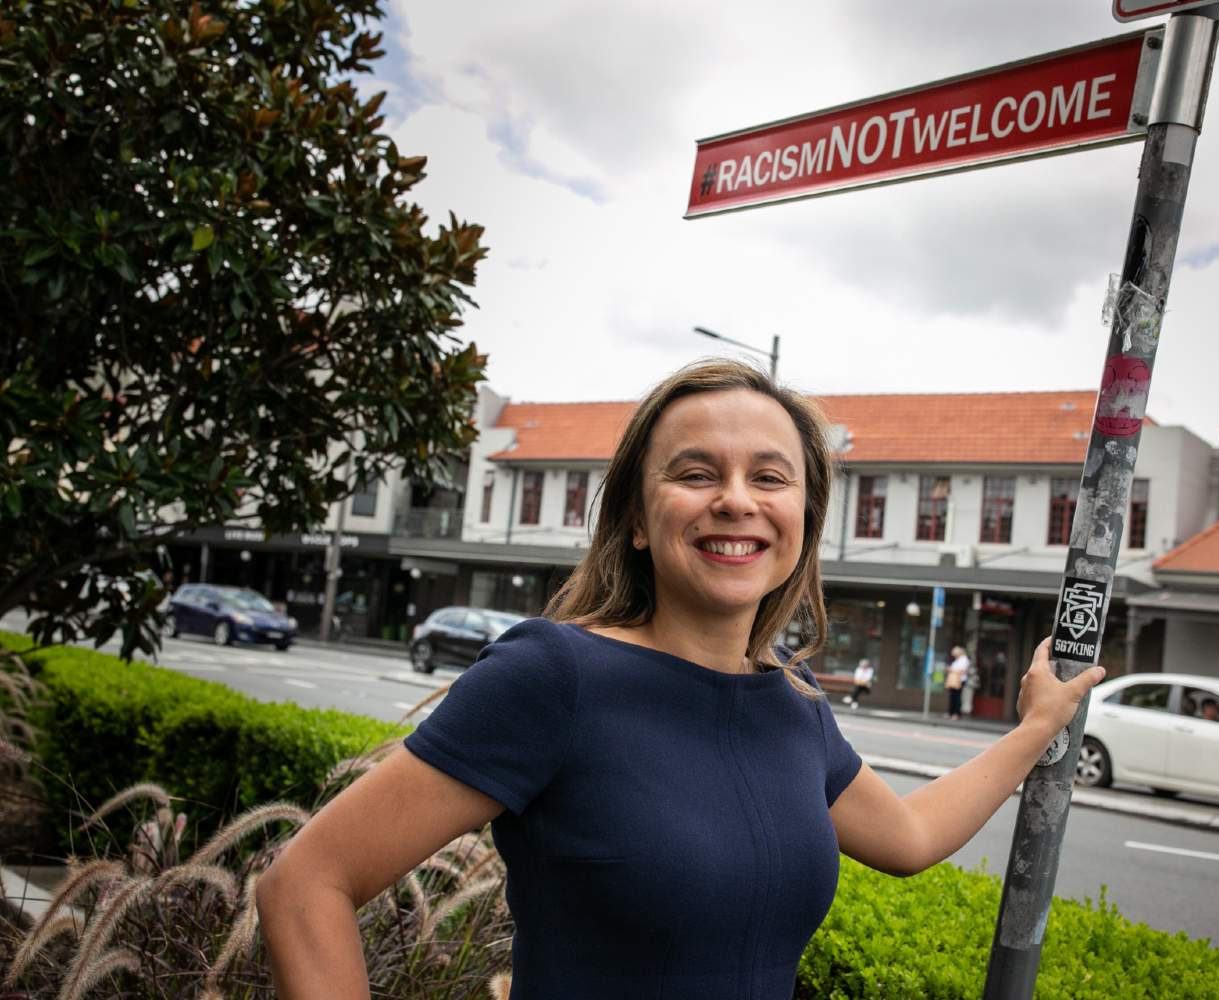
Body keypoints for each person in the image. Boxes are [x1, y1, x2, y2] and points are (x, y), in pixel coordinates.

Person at [255, 361, 1104, 998]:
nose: (736, 500)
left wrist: (1033, 731)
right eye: (697, 473)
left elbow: (911, 840)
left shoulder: (792, 706)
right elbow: (305, 883)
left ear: (802, 522)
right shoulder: (556, 675)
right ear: (634, 515)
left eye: (769, 477)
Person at [944, 645, 971, 720]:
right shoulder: (957, 660)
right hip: (953, 680)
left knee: (957, 697)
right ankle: (951, 712)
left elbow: (963, 670)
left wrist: (951, 670)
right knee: (952, 696)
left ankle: (956, 713)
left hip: (959, 680)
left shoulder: (964, 660)